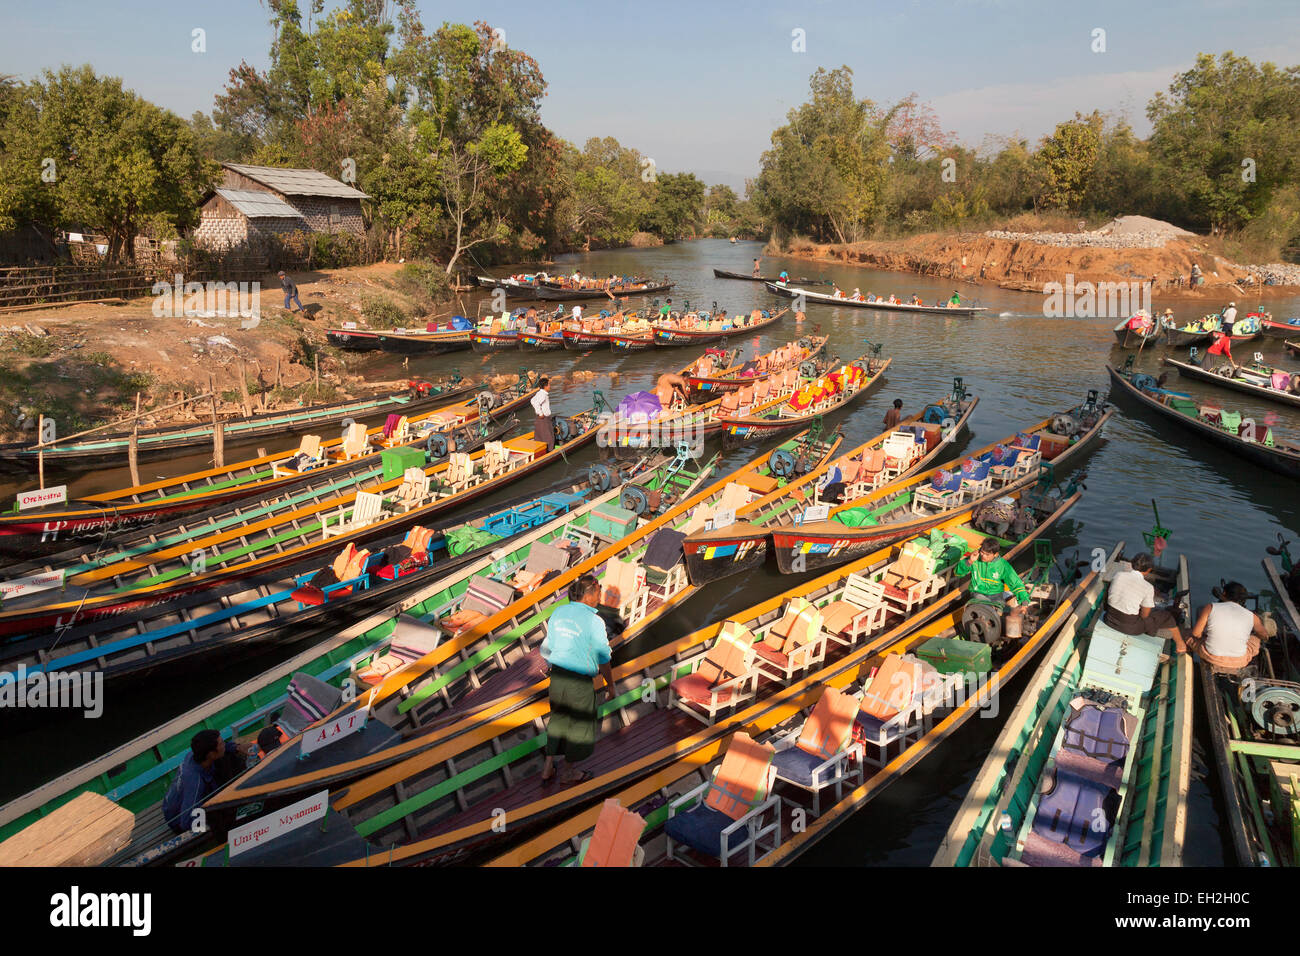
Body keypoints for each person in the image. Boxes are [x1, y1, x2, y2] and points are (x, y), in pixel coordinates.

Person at [540, 575, 616, 785]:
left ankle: (548, 767)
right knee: (580, 728)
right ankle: (568, 772)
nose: (600, 596)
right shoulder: (594, 620)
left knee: (558, 720)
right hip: (578, 681)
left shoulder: (558, 612)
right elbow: (603, 658)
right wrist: (611, 686)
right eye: (598, 592)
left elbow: (550, 647)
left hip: (557, 677)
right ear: (588, 595)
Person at [162, 730, 249, 833]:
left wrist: (236, 747)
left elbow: (226, 748)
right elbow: (186, 822)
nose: (224, 744)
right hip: (178, 819)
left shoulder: (195, 755)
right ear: (211, 754)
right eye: (221, 744)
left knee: (229, 757)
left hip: (186, 796)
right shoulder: (195, 783)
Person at [1183, 582, 1267, 670]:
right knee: (1256, 639)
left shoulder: (1210, 607)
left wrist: (1204, 636)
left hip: (1212, 656)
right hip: (1240, 661)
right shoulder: (1252, 616)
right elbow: (1264, 635)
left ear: (1223, 594)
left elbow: (1196, 634)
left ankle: (1187, 654)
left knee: (1187, 632)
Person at [1103, 552, 1185, 641]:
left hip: (1109, 619)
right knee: (1165, 617)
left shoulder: (1118, 575)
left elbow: (1108, 597)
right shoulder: (1148, 587)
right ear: (1149, 570)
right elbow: (1144, 615)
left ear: (1132, 563)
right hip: (1129, 628)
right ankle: (1172, 639)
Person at [955, 537, 1030, 633]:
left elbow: (1016, 584)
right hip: (977, 594)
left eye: (987, 554)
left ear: (996, 554)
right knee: (984, 610)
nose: (983, 556)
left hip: (996, 597)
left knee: (998, 618)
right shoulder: (975, 558)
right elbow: (958, 572)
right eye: (982, 552)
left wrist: (1024, 602)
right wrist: (969, 561)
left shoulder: (1002, 565)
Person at [532, 376, 555, 451]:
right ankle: (550, 452)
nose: (550, 386)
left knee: (539, 437)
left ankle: (540, 451)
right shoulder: (543, 395)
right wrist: (540, 413)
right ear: (545, 386)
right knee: (549, 438)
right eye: (549, 384)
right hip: (544, 419)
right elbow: (535, 403)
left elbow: (532, 400)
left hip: (539, 419)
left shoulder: (539, 393)